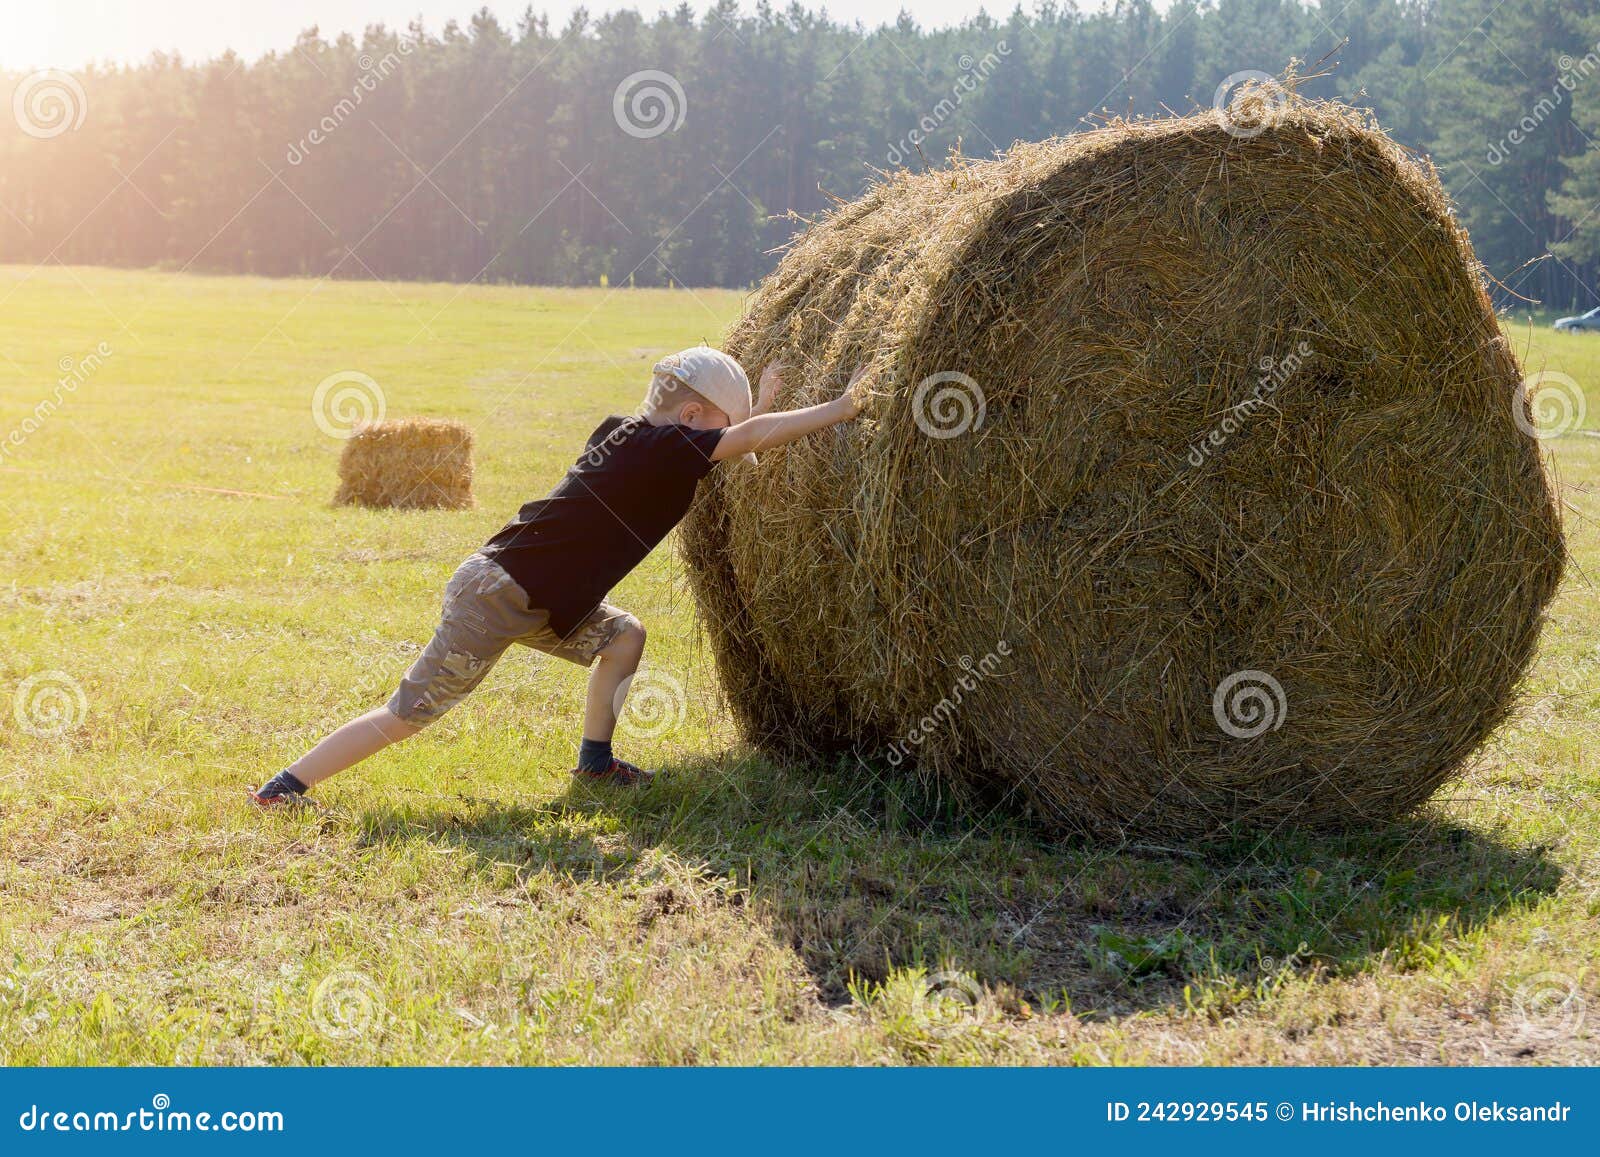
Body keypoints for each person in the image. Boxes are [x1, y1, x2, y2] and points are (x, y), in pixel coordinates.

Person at [252, 347, 865, 805]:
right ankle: (286, 785)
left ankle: (595, 762)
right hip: (496, 595)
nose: (718, 440)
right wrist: (843, 408)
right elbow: (747, 438)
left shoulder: (634, 440)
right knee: (407, 717)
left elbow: (738, 435)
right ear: (689, 413)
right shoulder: (658, 450)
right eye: (712, 425)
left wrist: (758, 403)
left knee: (625, 636)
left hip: (542, 601)